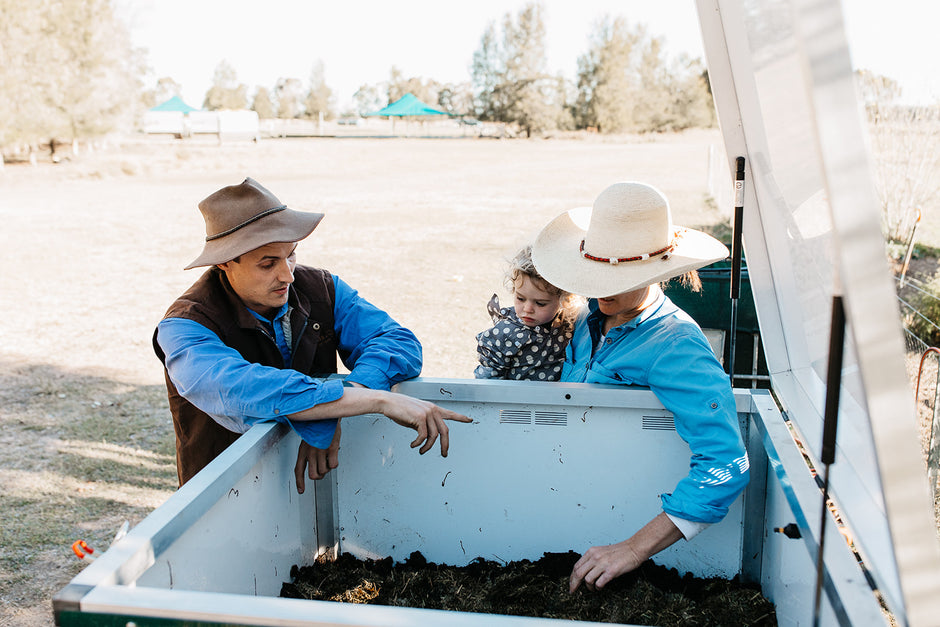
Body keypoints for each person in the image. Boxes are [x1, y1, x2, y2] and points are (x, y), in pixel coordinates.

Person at [153, 177, 471, 491]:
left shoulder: (323, 287)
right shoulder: (184, 325)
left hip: (312, 491)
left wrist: (345, 399)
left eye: (291, 254)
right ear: (225, 263)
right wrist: (377, 400)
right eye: (268, 264)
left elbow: (398, 342)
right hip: (224, 493)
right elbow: (241, 388)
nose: (288, 274)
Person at [531, 181, 750, 593]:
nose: (601, 290)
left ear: (655, 273)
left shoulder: (676, 346)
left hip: (629, 533)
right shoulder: (584, 320)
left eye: (620, 277)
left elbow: (726, 465)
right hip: (565, 513)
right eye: (595, 275)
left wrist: (632, 550)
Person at [474, 245, 579, 381]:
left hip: (558, 399)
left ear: (564, 299)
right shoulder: (506, 333)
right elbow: (488, 378)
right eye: (520, 298)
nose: (527, 309)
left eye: (540, 303)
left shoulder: (570, 324)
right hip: (514, 399)